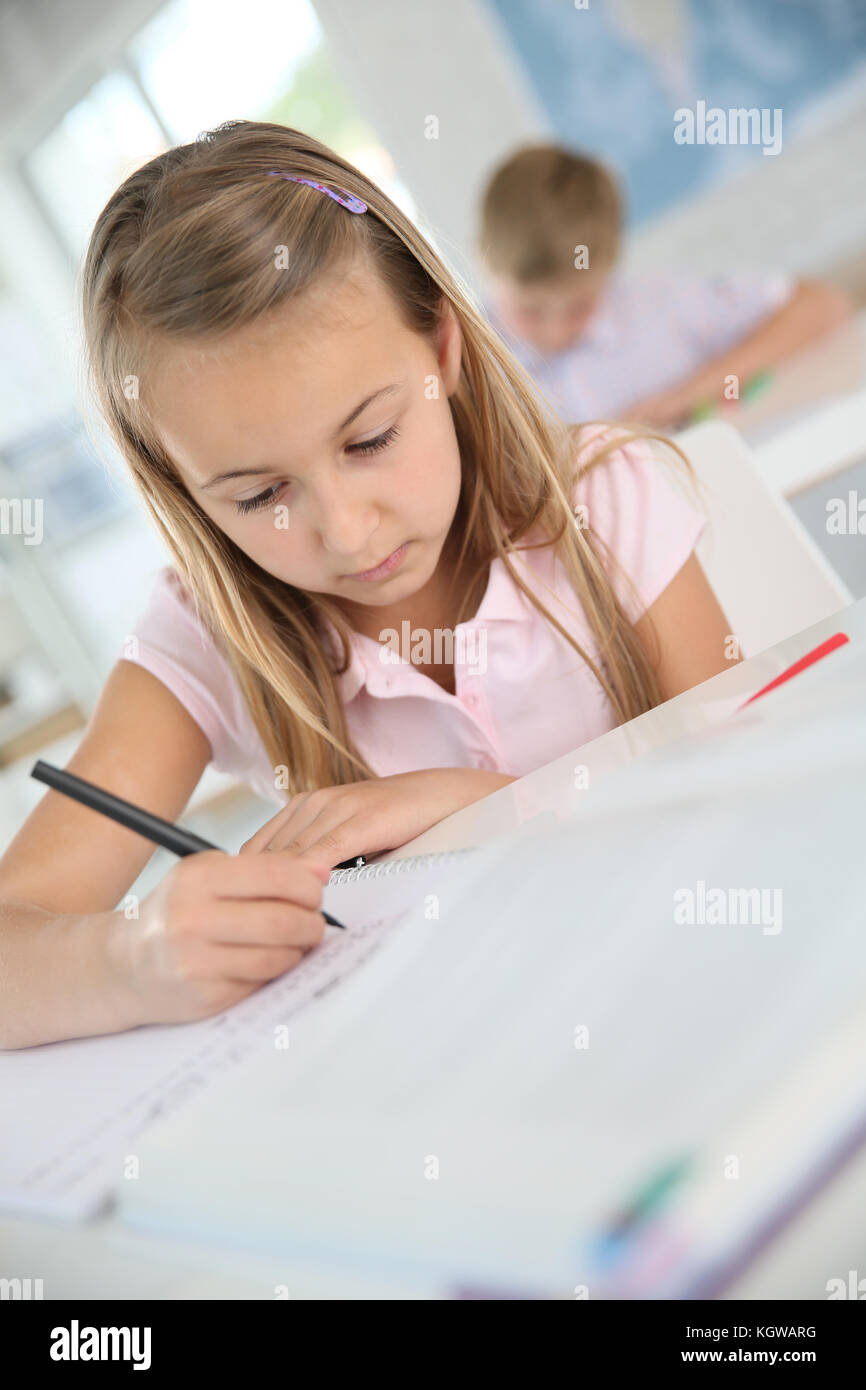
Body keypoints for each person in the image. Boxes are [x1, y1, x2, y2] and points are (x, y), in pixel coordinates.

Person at [0, 122, 737, 1048]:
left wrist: (483, 809)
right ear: (179, 484)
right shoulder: (206, 640)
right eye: (261, 493)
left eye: (370, 440)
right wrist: (130, 959)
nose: (348, 532)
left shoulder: (602, 503)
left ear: (442, 345)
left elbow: (758, 790)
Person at [478, 143, 852, 429]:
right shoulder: (466, 365)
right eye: (530, 311)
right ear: (483, 258)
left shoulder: (662, 304)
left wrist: (686, 396)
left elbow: (821, 305)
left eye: (579, 308)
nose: (556, 331)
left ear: (608, 272)